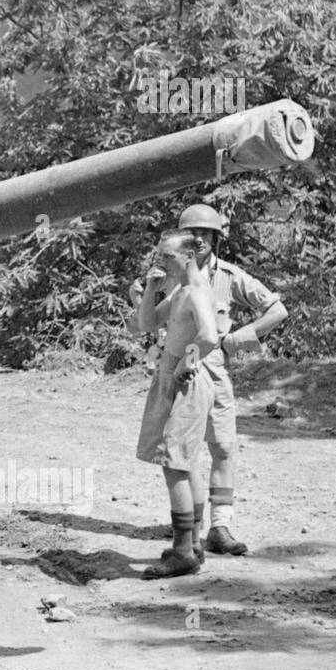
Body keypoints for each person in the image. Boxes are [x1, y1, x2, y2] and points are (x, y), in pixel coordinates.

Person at [130, 202, 288, 556]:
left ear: (216, 238)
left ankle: (219, 527)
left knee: (222, 448)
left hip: (213, 370)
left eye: (206, 233)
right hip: (179, 368)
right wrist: (142, 297)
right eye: (194, 232)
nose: (200, 239)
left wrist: (234, 341)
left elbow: (277, 310)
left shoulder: (230, 276)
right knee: (179, 454)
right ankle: (190, 536)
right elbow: (143, 322)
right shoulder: (170, 270)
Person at [135, 231, 220, 579]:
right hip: (172, 375)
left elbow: (210, 337)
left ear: (187, 257)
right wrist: (149, 292)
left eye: (167, 257)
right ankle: (192, 543)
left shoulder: (196, 291)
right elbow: (146, 324)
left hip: (186, 381)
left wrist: (187, 360)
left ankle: (183, 550)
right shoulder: (181, 290)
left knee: (174, 465)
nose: (161, 262)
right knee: (185, 463)